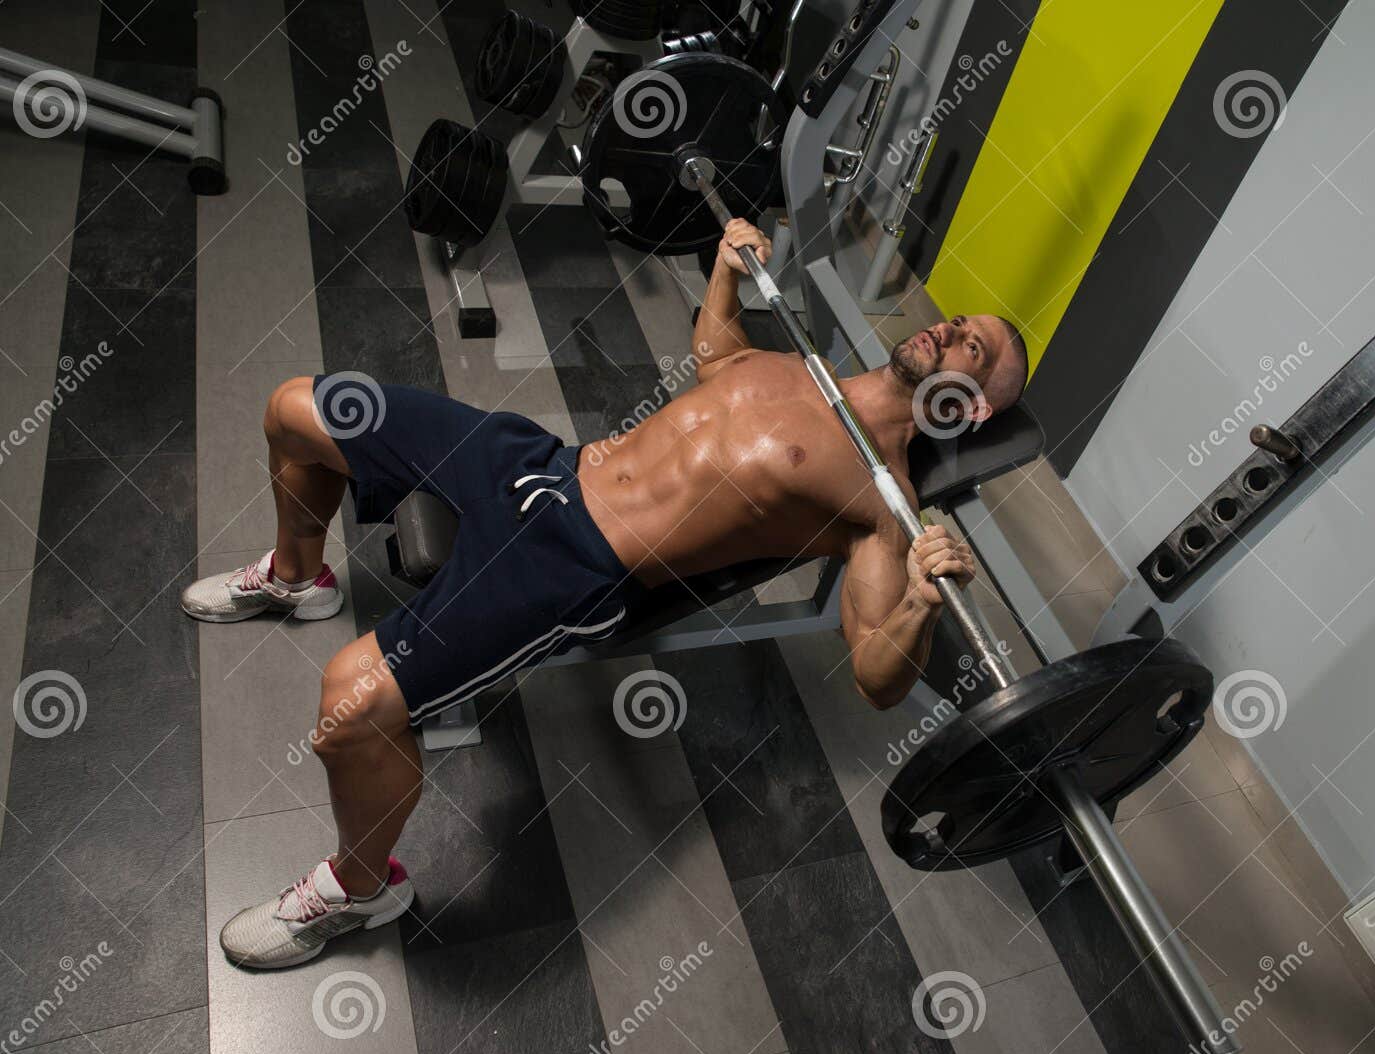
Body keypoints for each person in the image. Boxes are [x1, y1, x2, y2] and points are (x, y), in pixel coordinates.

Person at [184, 218, 1030, 969]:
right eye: (960, 322)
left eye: (974, 351)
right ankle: (298, 579)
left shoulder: (883, 503)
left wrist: (918, 602)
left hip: (572, 562)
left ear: (972, 411)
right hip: (539, 464)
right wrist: (725, 273)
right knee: (298, 409)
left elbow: (877, 678)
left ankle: (361, 887)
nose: (951, 331)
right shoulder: (801, 366)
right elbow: (718, 356)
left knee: (351, 703)